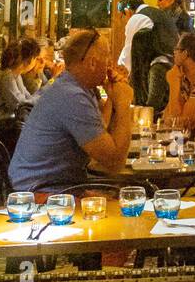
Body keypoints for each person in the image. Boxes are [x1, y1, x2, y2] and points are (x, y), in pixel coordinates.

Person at [9, 27, 133, 191]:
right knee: (131, 201)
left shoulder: (74, 87)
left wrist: (113, 97)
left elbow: (102, 136)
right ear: (93, 62)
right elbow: (114, 162)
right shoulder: (72, 96)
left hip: (55, 186)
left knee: (124, 197)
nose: (111, 64)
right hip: (40, 194)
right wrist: (124, 102)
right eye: (108, 57)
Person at [164, 33, 195, 131]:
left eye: (176, 49)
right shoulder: (185, 78)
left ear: (185, 53)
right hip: (189, 142)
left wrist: (173, 83)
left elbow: (177, 124)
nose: (174, 52)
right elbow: (166, 117)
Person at [0, 37, 43, 113]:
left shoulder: (16, 74)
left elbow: (28, 97)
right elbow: (19, 104)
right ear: (29, 60)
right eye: (36, 58)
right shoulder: (7, 76)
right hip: (2, 123)